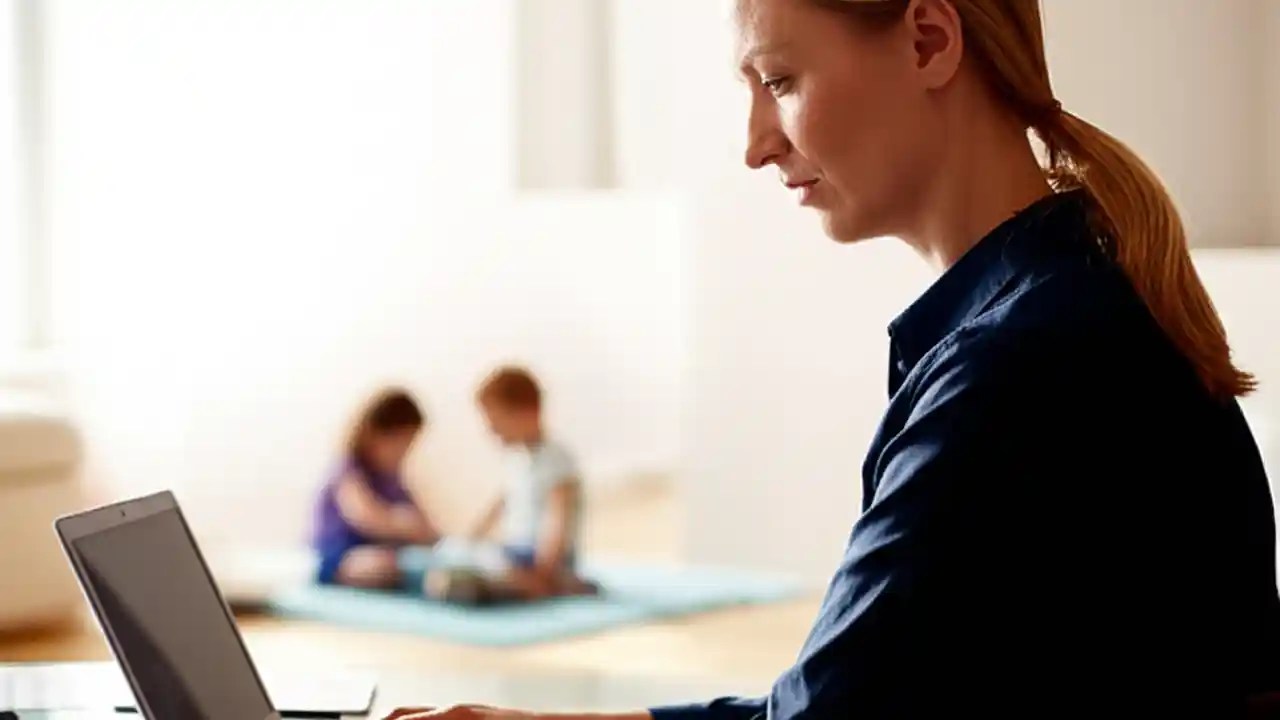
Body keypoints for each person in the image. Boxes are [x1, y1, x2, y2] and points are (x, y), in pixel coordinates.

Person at [386, 0, 1280, 717]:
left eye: (778, 79)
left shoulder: (1013, 369)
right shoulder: (1075, 302)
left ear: (929, 40)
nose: (754, 144)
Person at [439, 366, 593, 601]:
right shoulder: (517, 459)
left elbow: (559, 519)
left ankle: (540, 584)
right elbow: (501, 504)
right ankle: (500, 585)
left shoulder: (556, 459)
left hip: (542, 555)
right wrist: (468, 539)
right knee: (451, 550)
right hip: (517, 551)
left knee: (490, 560)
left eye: (496, 422)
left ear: (527, 413)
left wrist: (544, 571)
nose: (491, 430)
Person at [313, 387, 440, 589]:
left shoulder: (392, 478)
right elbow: (364, 515)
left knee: (419, 564)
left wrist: (436, 539)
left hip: (381, 554)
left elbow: (422, 522)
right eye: (400, 443)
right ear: (373, 435)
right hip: (338, 555)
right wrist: (402, 524)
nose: (403, 453)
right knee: (382, 566)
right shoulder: (348, 470)